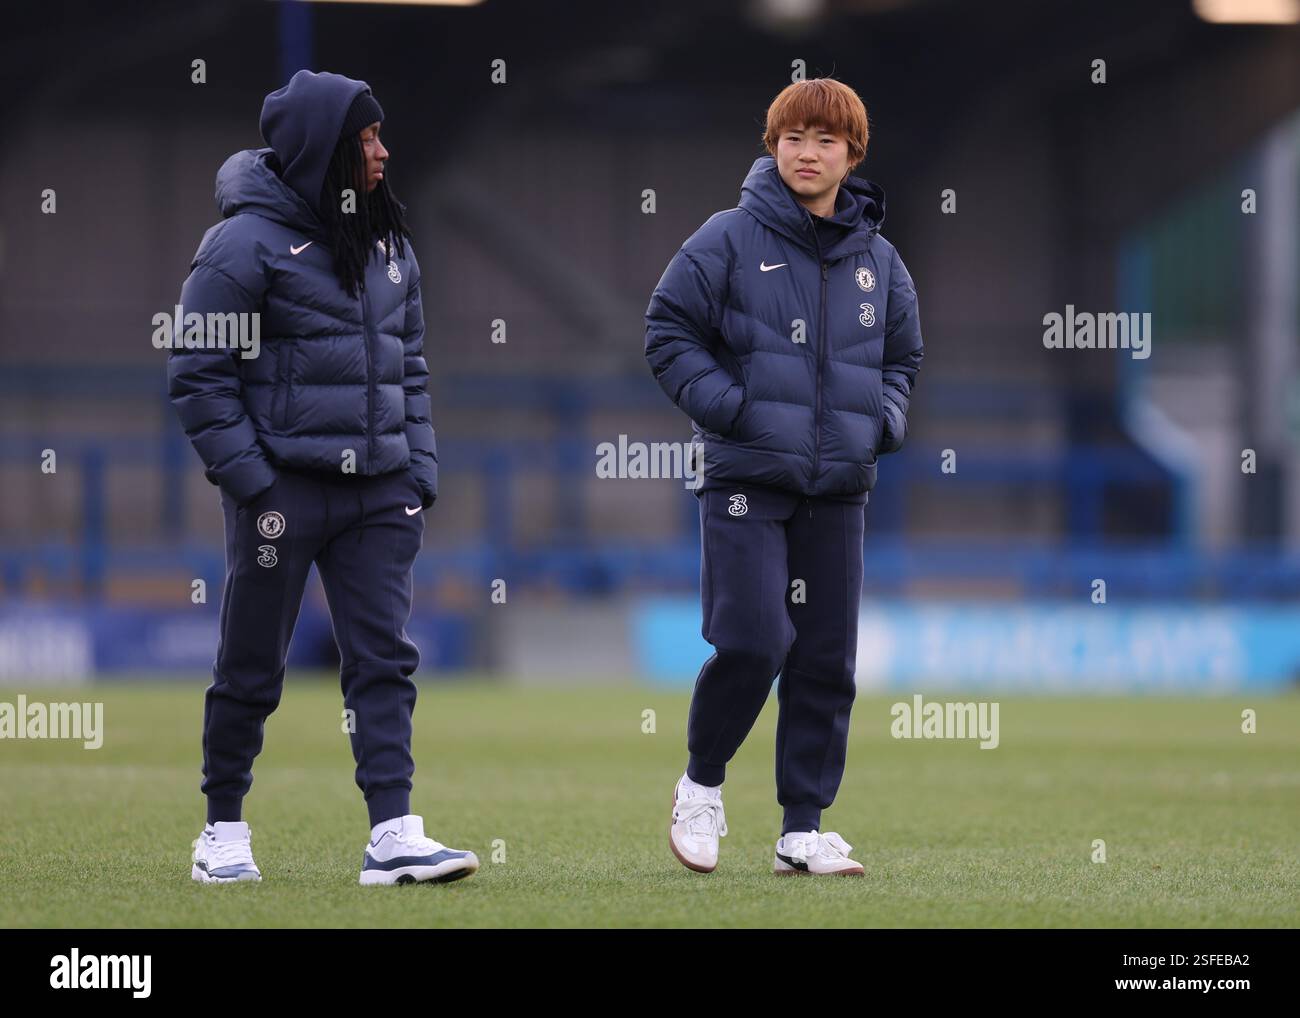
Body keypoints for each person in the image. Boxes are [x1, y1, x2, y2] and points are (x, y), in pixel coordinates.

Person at [168, 69, 477, 886]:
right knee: (251, 663)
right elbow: (198, 371)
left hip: (380, 494)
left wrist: (417, 476)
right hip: (283, 493)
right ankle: (223, 832)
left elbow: (411, 369)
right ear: (322, 152)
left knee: (384, 659)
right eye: (365, 139)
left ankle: (393, 835)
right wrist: (255, 483)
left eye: (379, 136)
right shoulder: (240, 245)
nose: (382, 151)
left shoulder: (389, 242)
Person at [644, 78, 923, 876]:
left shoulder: (882, 262)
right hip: (745, 481)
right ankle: (701, 783)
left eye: (825, 140)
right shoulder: (727, 239)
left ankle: (803, 828)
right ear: (773, 146)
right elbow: (667, 331)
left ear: (852, 155)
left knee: (827, 660)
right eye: (793, 137)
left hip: (838, 489)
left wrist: (884, 422)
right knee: (756, 639)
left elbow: (903, 357)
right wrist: (732, 410)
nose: (808, 152)